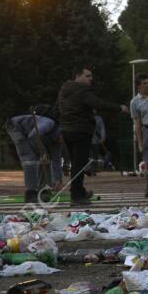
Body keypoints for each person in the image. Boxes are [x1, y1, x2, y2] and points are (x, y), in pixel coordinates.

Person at [55, 66, 128, 203]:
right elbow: (99, 104)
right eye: (87, 76)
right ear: (77, 76)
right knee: (79, 165)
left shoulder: (63, 91)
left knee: (76, 163)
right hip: (80, 131)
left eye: (91, 76)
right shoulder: (82, 91)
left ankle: (79, 191)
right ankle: (76, 196)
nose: (91, 79)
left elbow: (56, 109)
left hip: (67, 131)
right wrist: (119, 108)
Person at [5, 106, 64, 203]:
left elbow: (56, 160)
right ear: (61, 133)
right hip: (16, 127)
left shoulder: (58, 142)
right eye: (63, 138)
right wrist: (42, 152)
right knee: (30, 160)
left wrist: (57, 179)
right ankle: (30, 194)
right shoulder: (49, 123)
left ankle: (43, 190)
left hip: (30, 134)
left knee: (44, 160)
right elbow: (33, 135)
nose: (62, 142)